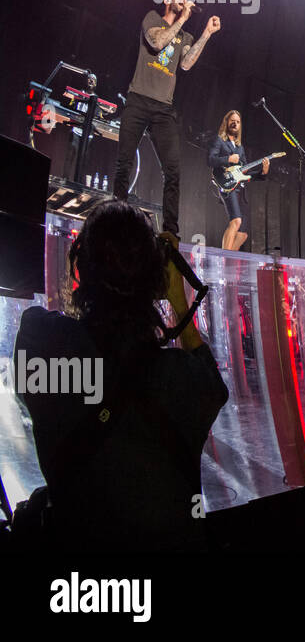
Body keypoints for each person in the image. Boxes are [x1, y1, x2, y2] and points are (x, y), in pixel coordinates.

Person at [14, 200, 229, 550]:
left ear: (80, 268)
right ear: (156, 281)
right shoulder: (187, 381)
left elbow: (61, 331)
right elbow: (211, 381)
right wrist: (176, 295)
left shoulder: (40, 343)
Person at [113, 0, 220, 235]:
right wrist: (182, 18)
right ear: (167, 0)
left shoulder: (184, 36)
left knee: (173, 171)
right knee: (124, 163)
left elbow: (186, 63)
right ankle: (117, 214)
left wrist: (206, 33)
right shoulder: (152, 18)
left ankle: (171, 231)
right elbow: (157, 42)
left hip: (163, 109)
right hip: (138, 100)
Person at [208, 109, 269, 251]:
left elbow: (244, 173)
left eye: (238, 122)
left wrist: (263, 173)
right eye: (232, 121)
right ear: (227, 122)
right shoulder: (219, 140)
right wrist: (228, 159)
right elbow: (210, 160)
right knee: (236, 221)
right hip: (227, 185)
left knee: (242, 235)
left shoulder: (240, 147)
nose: (235, 123)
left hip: (240, 188)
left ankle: (228, 259)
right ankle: (224, 258)